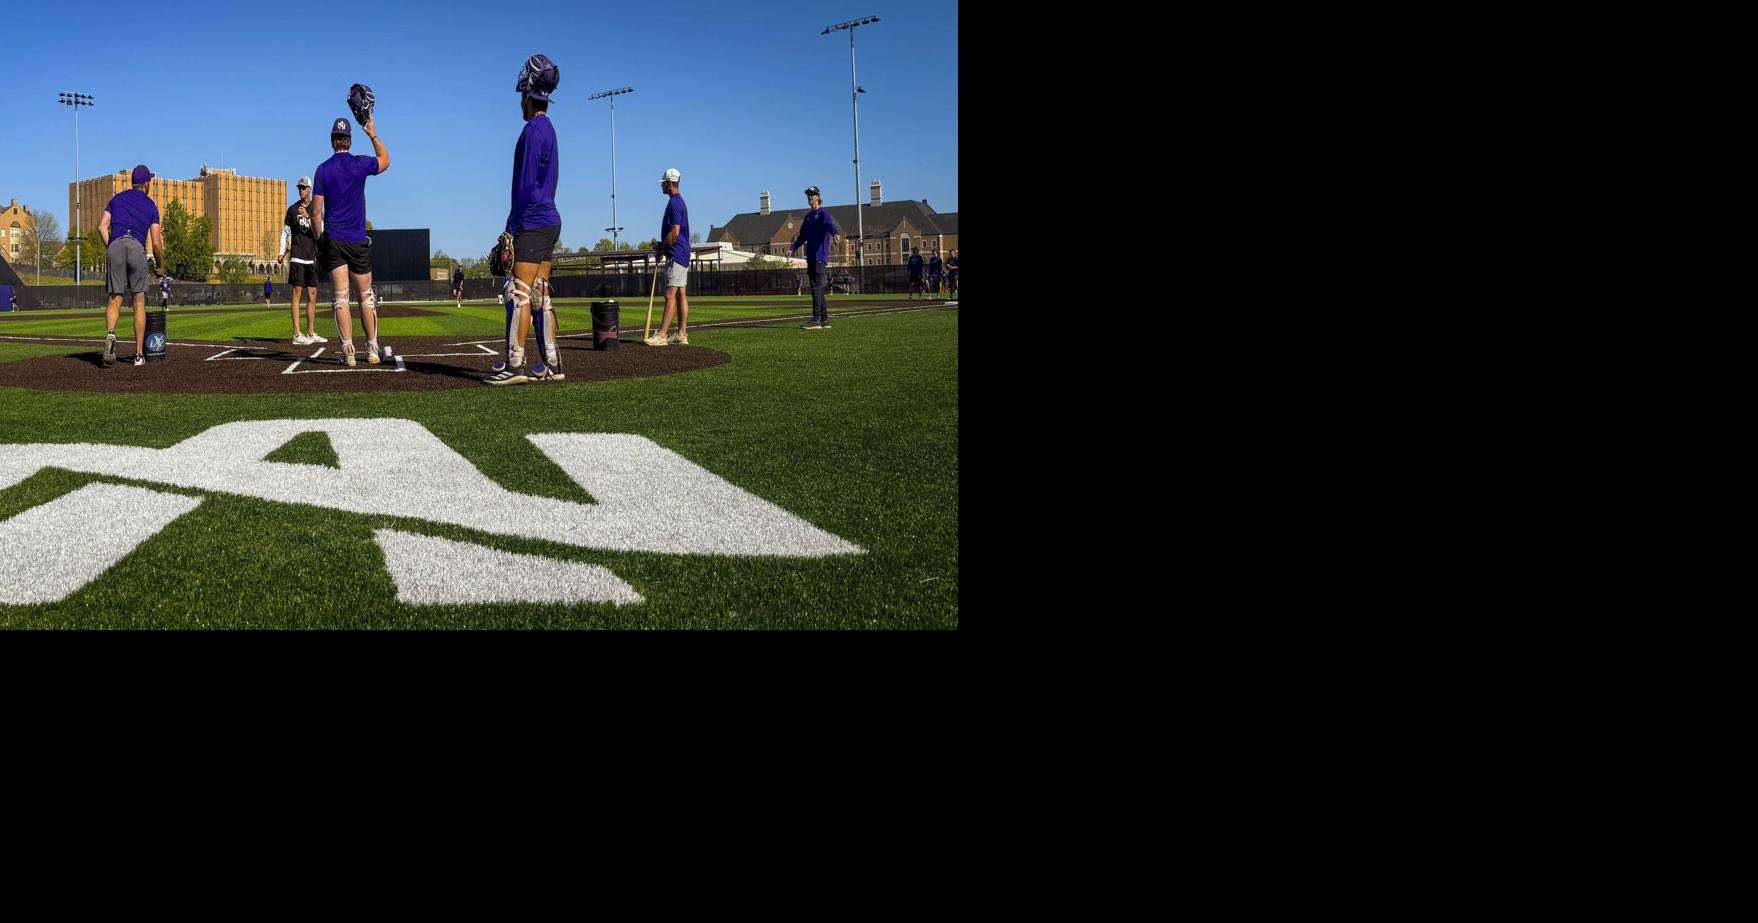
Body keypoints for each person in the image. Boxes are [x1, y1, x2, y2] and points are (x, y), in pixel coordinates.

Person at [486, 53, 564, 385]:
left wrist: (510, 228)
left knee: (517, 294)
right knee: (540, 296)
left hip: (531, 221)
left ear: (528, 93)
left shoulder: (532, 131)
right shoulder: (549, 129)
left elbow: (524, 185)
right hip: (549, 220)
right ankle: (552, 363)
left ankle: (515, 365)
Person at [313, 114, 389, 368]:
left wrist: (320, 240)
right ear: (349, 140)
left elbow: (315, 212)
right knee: (366, 297)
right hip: (357, 239)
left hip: (334, 239)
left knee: (340, 298)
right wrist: (373, 134)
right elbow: (385, 161)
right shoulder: (359, 164)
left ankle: (348, 351)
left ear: (333, 140)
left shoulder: (323, 169)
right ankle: (373, 349)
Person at [97, 165, 167, 367]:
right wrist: (160, 266)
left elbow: (101, 226)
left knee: (114, 299)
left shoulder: (117, 199)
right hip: (136, 247)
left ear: (132, 182)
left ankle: (111, 334)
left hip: (116, 244)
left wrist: (111, 245)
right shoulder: (151, 206)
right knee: (138, 302)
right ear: (146, 184)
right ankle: (138, 355)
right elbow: (155, 243)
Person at [644, 168, 691, 347]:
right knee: (681, 293)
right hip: (682, 252)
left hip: (676, 253)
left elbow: (675, 232)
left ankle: (662, 335)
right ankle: (681, 334)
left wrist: (662, 249)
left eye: (663, 183)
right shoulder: (678, 202)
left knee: (670, 294)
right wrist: (661, 246)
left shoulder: (674, 203)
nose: (662, 186)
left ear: (669, 183)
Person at [279, 176, 326, 345]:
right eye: (299, 187)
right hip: (298, 257)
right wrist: (281, 251)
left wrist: (308, 216)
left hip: (312, 258)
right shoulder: (292, 209)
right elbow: (284, 231)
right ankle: (297, 335)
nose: (301, 190)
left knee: (312, 295)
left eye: (304, 187)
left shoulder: (316, 208)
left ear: (310, 190)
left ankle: (311, 333)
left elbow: (320, 232)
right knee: (297, 294)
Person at [789, 185, 841, 329]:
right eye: (808, 195)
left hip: (820, 256)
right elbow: (802, 237)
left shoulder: (823, 213)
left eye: (812, 194)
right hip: (810, 257)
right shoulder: (808, 217)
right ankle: (824, 319)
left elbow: (830, 224)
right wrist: (792, 248)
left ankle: (816, 319)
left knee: (816, 287)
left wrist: (835, 233)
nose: (810, 197)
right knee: (815, 287)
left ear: (818, 197)